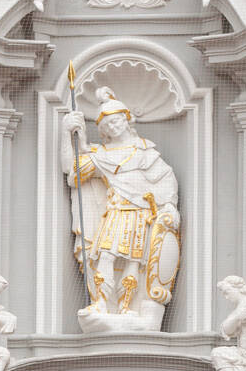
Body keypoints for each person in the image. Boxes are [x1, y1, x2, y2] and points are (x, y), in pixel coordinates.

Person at [61, 87, 180, 332]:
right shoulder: (101, 155)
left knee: (133, 264)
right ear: (103, 131)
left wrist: (169, 206)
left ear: (126, 121)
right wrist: (68, 134)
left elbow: (166, 180)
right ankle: (103, 303)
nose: (113, 127)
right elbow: (73, 173)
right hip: (114, 213)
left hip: (140, 216)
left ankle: (127, 308)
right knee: (104, 256)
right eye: (107, 125)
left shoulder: (146, 152)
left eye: (116, 121)